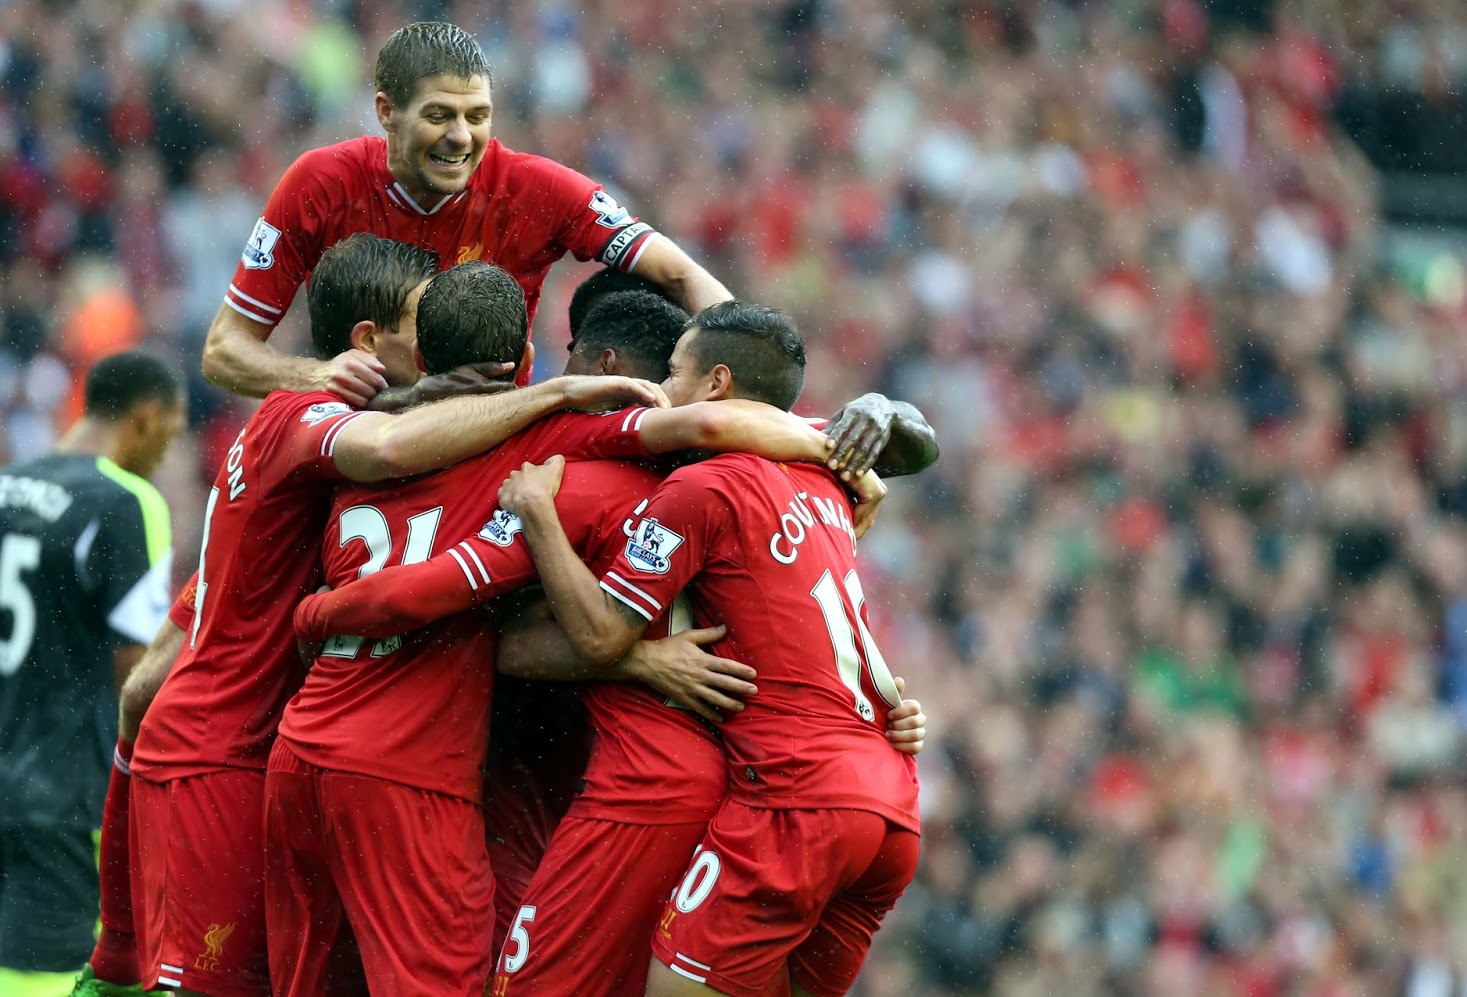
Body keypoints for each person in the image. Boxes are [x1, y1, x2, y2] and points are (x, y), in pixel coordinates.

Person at [293, 286, 935, 992]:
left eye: (673, 377)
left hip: (670, 792)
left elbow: (469, 619)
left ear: (604, 364)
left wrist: (318, 614)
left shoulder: (596, 479)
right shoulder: (816, 474)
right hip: (834, 787)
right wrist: (877, 415)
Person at [126, 236, 662, 997]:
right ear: (370, 342)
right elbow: (689, 435)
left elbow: (209, 600)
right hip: (354, 768)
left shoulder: (311, 446)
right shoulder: (359, 432)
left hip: (288, 751)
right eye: (419, 318)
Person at [496, 302, 921, 997]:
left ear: (717, 383)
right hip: (890, 798)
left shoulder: (701, 485)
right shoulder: (831, 486)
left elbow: (602, 632)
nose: (662, 388)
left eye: (673, 372)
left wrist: (538, 515)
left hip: (797, 801)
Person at [202, 20, 731, 404]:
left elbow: (682, 274)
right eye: (439, 115)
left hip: (489, 443)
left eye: (477, 116)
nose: (461, 137)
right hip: (357, 439)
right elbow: (224, 351)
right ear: (386, 111)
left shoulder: (535, 188)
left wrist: (737, 391)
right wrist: (313, 377)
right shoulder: (321, 183)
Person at [0, 351, 185, 997]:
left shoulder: (8, 483)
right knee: (49, 977)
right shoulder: (125, 500)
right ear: (146, 414)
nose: (168, 449)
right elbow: (138, 666)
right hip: (65, 782)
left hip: (8, 762)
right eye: (171, 428)